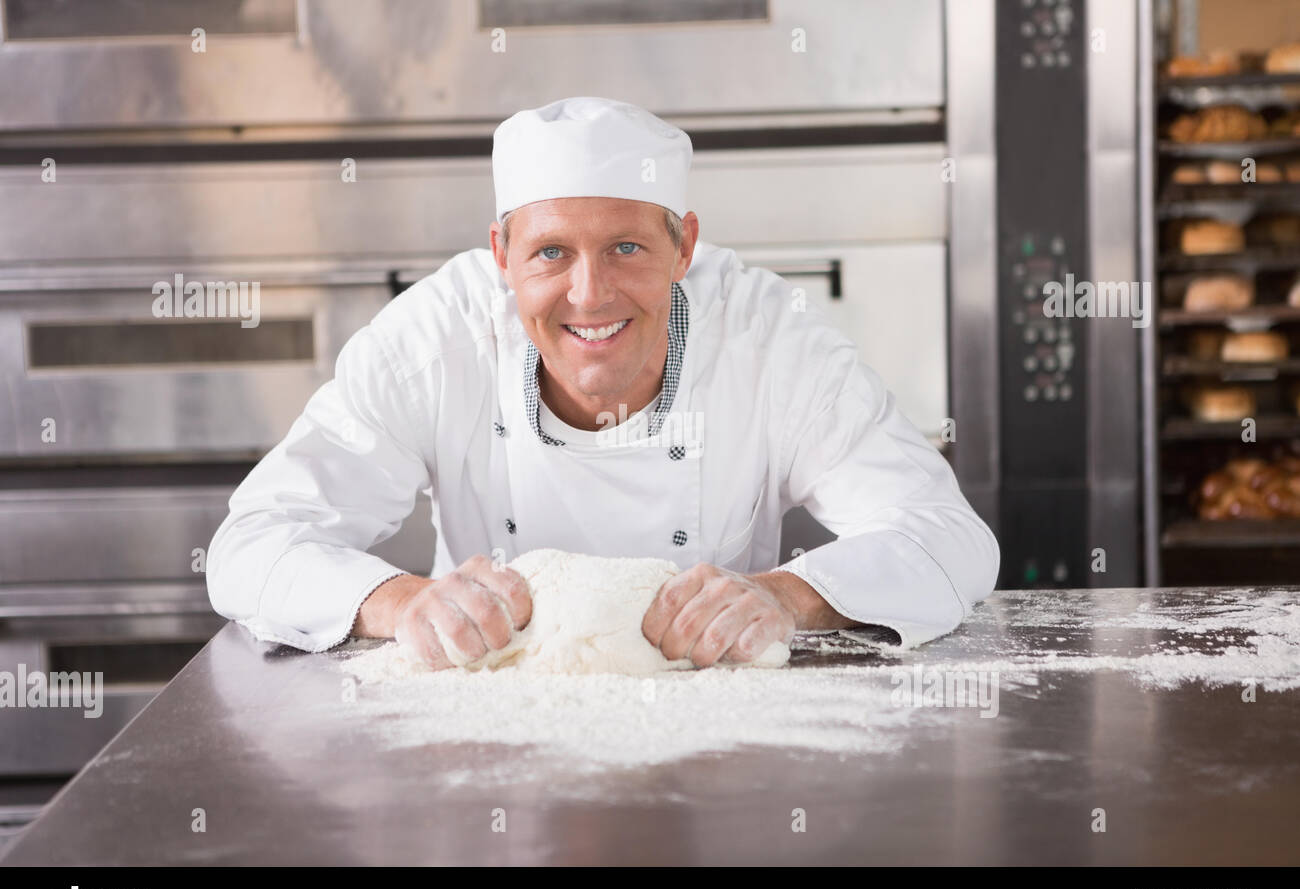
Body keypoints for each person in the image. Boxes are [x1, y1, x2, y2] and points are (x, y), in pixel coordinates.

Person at [206, 96, 1000, 668]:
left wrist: (786, 596)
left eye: (626, 247)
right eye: (551, 253)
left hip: (715, 729)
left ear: (684, 246)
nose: (590, 295)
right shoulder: (438, 339)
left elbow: (948, 537)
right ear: (501, 255)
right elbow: (254, 543)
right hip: (483, 731)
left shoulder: (769, 342)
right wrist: (405, 602)